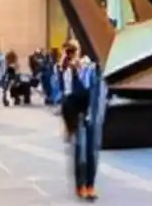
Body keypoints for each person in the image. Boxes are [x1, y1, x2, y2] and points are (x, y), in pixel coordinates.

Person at [60, 43, 107, 201]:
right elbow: (67, 93)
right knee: (80, 151)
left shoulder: (95, 68)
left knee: (92, 152)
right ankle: (81, 185)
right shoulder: (68, 68)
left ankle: (90, 185)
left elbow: (100, 90)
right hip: (78, 114)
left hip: (92, 113)